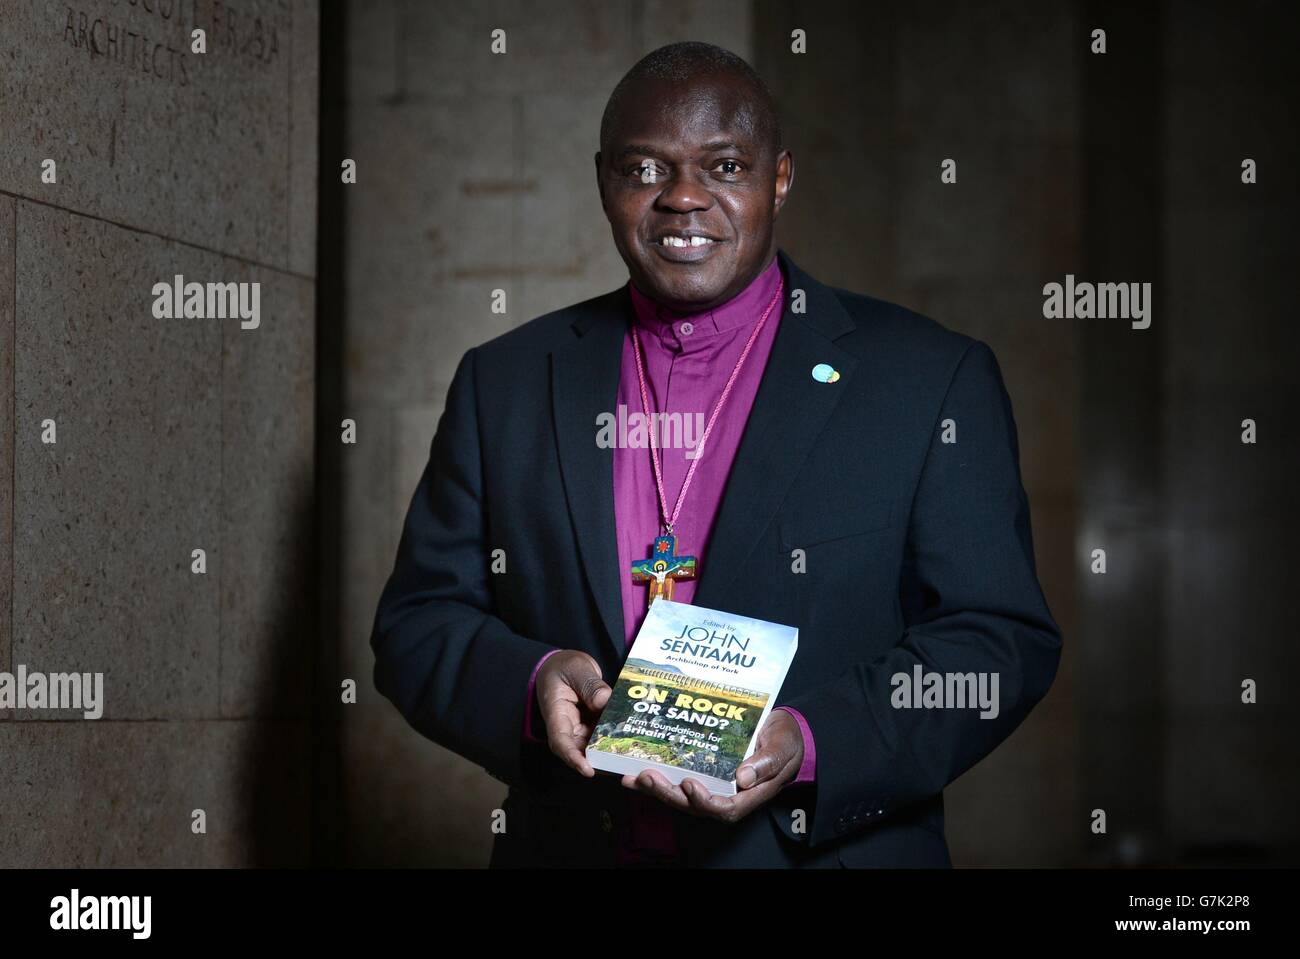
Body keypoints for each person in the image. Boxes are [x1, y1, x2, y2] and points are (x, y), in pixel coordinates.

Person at [371, 41, 1062, 868]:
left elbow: (997, 639)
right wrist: (533, 681)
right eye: (645, 169)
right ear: (604, 182)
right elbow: (417, 624)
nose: (684, 198)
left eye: (725, 166)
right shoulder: (506, 382)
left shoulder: (926, 380)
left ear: (780, 177)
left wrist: (808, 741)